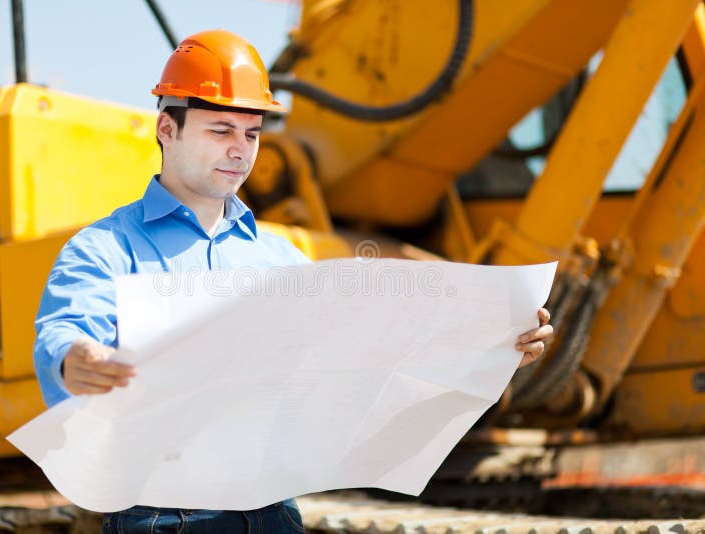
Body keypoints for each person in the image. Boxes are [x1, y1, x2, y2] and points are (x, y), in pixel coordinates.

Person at [33, 29, 553, 534]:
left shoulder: (280, 258)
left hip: (273, 513)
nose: (240, 150)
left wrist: (490, 347)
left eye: (252, 134)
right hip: (162, 516)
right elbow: (64, 332)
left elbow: (368, 353)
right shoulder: (105, 248)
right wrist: (75, 360)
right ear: (167, 129)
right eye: (221, 131)